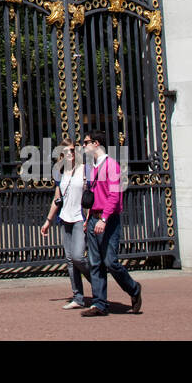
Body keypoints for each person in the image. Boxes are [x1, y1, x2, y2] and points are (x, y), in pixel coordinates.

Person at [80, 131, 142, 317]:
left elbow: (115, 196)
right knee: (94, 262)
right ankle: (99, 304)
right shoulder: (91, 167)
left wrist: (104, 219)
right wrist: (89, 217)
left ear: (96, 143)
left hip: (108, 219)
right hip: (93, 218)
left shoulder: (112, 165)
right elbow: (93, 196)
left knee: (110, 262)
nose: (83, 146)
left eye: (86, 142)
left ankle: (134, 289)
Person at [39, 139, 92, 310]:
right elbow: (57, 198)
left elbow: (92, 195)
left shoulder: (85, 170)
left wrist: (89, 216)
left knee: (78, 257)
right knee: (69, 260)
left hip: (79, 218)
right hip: (64, 218)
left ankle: (97, 280)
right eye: (67, 151)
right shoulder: (60, 173)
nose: (70, 154)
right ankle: (78, 297)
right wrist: (48, 221)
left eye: (73, 150)